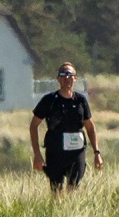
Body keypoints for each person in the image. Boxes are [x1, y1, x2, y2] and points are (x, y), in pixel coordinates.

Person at [30, 63, 101, 191]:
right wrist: (37, 154)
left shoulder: (80, 100)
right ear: (58, 78)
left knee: (73, 187)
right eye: (63, 74)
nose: (66, 78)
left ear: (75, 78)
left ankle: (70, 210)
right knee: (56, 190)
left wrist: (97, 152)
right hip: (55, 152)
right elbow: (33, 126)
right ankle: (57, 210)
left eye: (70, 75)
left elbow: (90, 127)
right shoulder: (49, 100)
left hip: (76, 151)